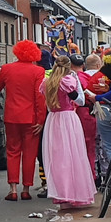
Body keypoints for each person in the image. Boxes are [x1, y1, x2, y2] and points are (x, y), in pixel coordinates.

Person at [0, 40, 47, 201]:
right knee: (29, 154)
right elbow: (39, 98)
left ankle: (12, 188)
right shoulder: (38, 71)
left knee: (12, 152)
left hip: (12, 116)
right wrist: (41, 120)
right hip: (31, 119)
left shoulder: (7, 69)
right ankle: (26, 189)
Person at [41, 56, 97, 209]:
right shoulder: (69, 80)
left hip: (53, 119)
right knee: (74, 155)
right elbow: (80, 101)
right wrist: (75, 90)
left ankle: (61, 194)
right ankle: (75, 193)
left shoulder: (47, 82)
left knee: (58, 158)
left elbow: (47, 105)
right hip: (68, 119)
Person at [70, 53, 98, 176]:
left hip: (80, 113)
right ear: (82, 65)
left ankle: (86, 175)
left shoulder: (73, 78)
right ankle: (95, 174)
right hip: (95, 111)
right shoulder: (98, 77)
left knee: (83, 146)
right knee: (94, 145)